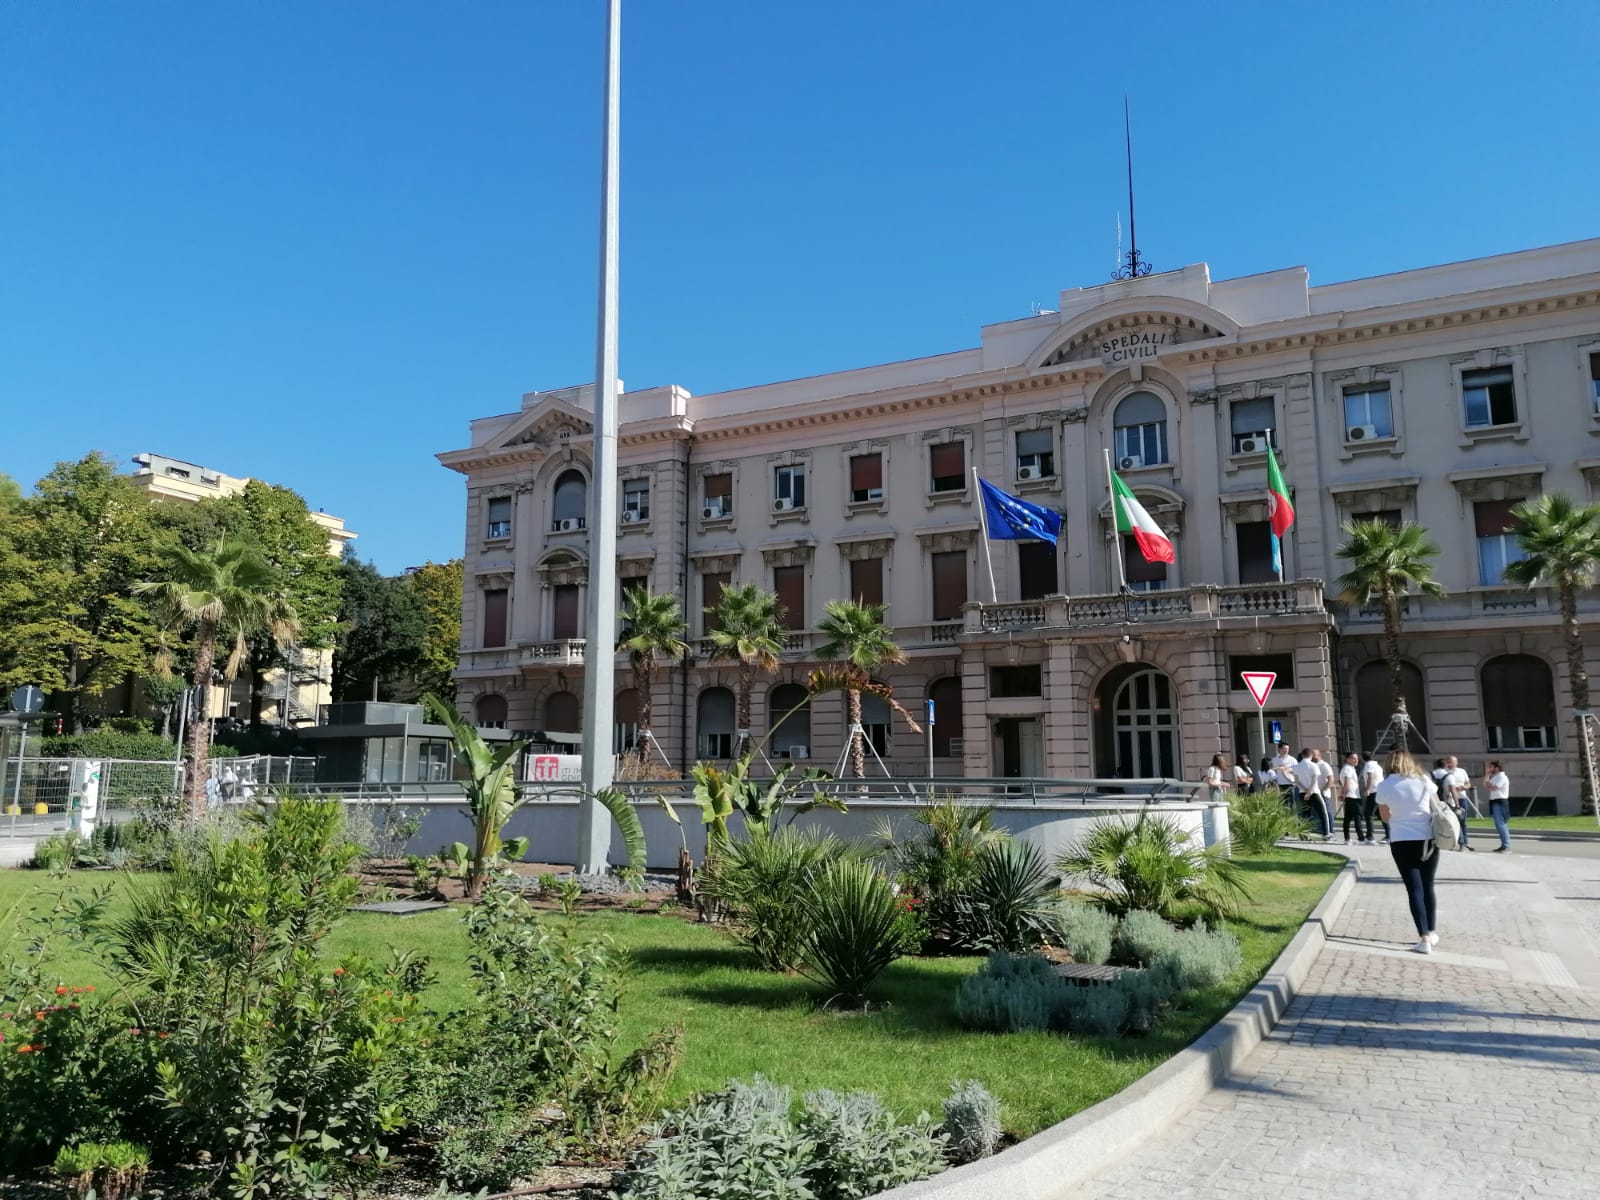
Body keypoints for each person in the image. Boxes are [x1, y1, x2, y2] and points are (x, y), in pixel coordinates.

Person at [1378, 751, 1441, 955]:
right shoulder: (1424, 780)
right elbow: (1436, 806)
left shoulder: (1385, 785)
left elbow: (1386, 817)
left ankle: (1423, 939)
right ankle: (1431, 931)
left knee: (1414, 888)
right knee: (1428, 885)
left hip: (1402, 839)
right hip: (1428, 838)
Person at [1293, 748, 1332, 839]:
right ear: (1311, 755)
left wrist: (1305, 789)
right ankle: (1326, 833)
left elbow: (1296, 781)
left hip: (1303, 792)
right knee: (1323, 813)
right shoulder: (1314, 766)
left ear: (1302, 755)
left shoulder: (1296, 767)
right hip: (1314, 792)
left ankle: (1304, 834)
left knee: (1305, 814)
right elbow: (1315, 779)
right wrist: (1310, 790)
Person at [1442, 755, 1474, 851]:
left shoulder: (1462, 771)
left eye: (1453, 762)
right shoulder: (1445, 772)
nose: (1450, 764)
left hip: (1461, 798)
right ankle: (1455, 842)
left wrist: (1463, 787)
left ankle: (1465, 842)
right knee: (1452, 822)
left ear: (1457, 763)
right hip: (1450, 800)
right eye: (1449, 762)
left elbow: (1468, 784)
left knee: (1462, 821)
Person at [1339, 751, 1371, 844]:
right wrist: (1344, 793)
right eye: (1353, 758)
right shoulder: (1348, 769)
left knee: (1348, 818)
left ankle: (1347, 838)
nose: (1356, 760)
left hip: (1351, 795)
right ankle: (1361, 838)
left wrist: (1343, 793)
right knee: (1357, 817)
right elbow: (1346, 782)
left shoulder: (1350, 768)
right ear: (1347, 759)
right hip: (1352, 796)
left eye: (1357, 758)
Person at [1361, 751, 1388, 842]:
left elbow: (1370, 776)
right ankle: (1388, 835)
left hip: (1373, 791)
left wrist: (1367, 789)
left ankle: (1370, 836)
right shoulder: (1377, 766)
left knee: (1368, 814)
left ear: (1362, 758)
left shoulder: (1369, 765)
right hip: (1381, 790)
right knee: (1381, 813)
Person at [1485, 760, 1511, 852]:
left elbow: (1493, 788)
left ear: (1497, 768)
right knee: (1498, 824)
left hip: (1500, 801)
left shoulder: (1502, 777)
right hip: (1494, 801)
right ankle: (1503, 844)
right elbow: (1485, 785)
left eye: (1491, 767)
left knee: (1501, 824)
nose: (1489, 769)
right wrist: (1487, 775)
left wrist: (1489, 785)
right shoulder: (1495, 777)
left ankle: (1506, 845)